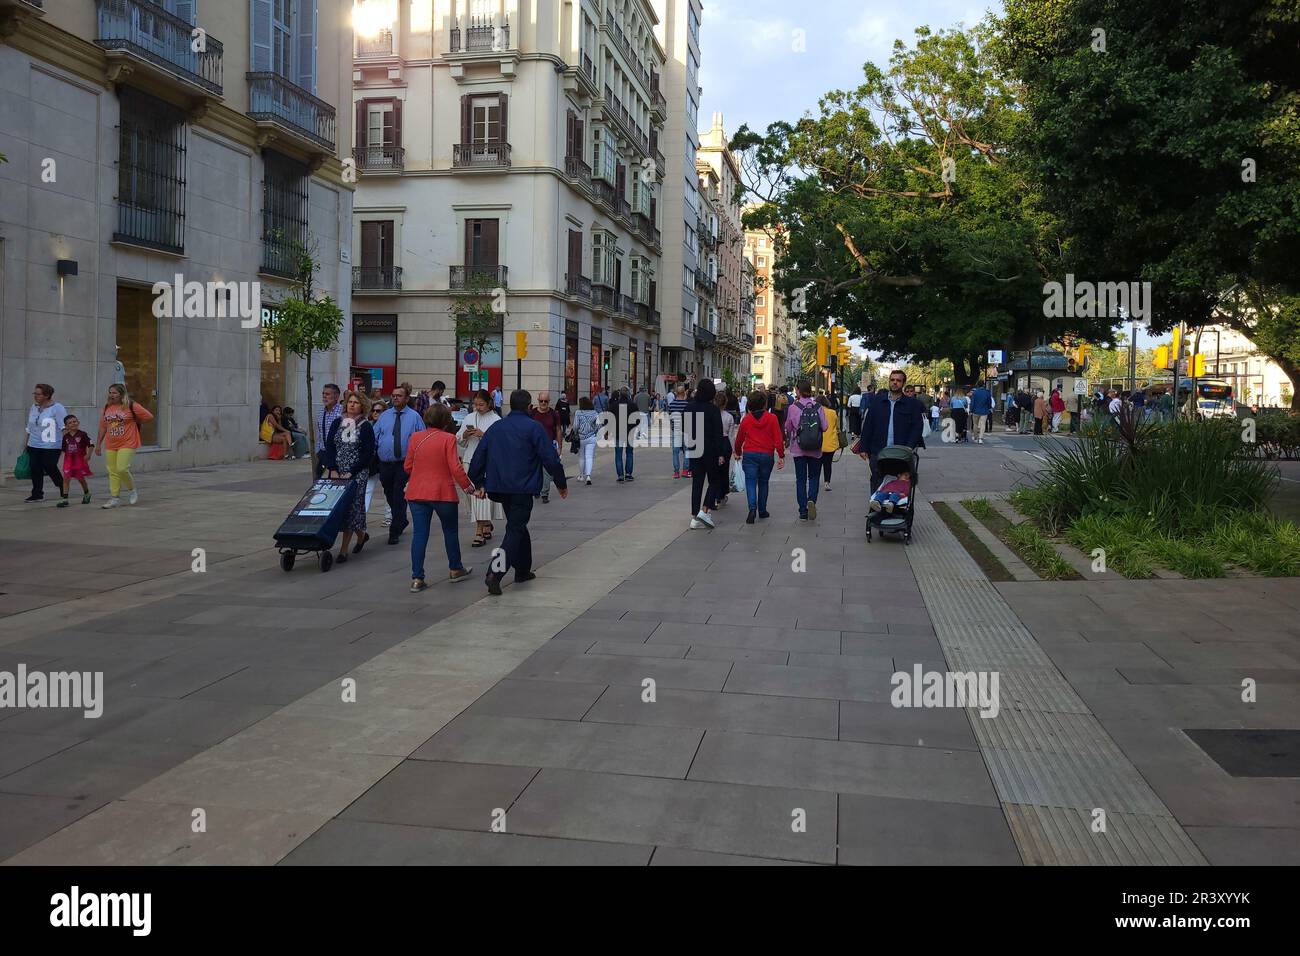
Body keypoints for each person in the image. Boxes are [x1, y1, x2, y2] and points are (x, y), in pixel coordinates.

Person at [468, 390, 568, 596]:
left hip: (499, 487)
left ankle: (522, 570)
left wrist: (479, 482)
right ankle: (494, 573)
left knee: (517, 526)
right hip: (522, 487)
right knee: (515, 529)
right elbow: (550, 457)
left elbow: (478, 458)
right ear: (529, 405)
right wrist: (560, 482)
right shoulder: (534, 427)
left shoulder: (496, 427)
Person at [404, 404, 475, 591]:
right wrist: (469, 487)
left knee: (419, 534)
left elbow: (408, 466)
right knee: (450, 531)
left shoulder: (415, 437)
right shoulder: (449, 439)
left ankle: (417, 578)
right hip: (443, 492)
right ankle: (455, 568)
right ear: (445, 420)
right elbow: (455, 467)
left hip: (417, 492)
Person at [321, 390, 375, 562]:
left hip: (357, 472)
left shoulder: (365, 426)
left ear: (362, 406)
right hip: (337, 471)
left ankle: (343, 550)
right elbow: (329, 447)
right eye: (350, 402)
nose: (352, 405)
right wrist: (333, 468)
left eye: (356, 402)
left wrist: (353, 470)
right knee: (339, 507)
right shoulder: (338, 422)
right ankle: (361, 534)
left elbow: (368, 453)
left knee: (352, 508)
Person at [854, 369, 925, 491]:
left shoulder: (912, 404)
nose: (895, 382)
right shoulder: (878, 401)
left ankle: (894, 508)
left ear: (903, 383)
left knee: (899, 489)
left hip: (901, 453)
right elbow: (868, 425)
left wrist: (909, 446)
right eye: (892, 380)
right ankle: (876, 509)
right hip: (878, 452)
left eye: (898, 380)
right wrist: (864, 448)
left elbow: (917, 427)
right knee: (877, 486)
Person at [373, 383, 425, 545]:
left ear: (407, 398)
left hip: (404, 463)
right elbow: (375, 436)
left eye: (399, 395)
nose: (395, 398)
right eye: (393, 395)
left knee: (398, 494)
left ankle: (394, 530)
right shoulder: (385, 416)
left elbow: (421, 439)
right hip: (385, 463)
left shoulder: (414, 416)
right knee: (390, 493)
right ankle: (401, 519)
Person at [456, 389, 504, 547]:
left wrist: (483, 435)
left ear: (489, 403)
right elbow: (459, 439)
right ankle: (486, 524)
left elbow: (499, 444)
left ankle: (478, 531)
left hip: (486, 464)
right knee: (471, 497)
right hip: (470, 459)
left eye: (481, 404)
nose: (478, 407)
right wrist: (465, 435)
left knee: (481, 497)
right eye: (475, 404)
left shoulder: (496, 420)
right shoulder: (469, 417)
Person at [96, 384, 153, 509]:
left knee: (121, 469)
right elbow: (103, 426)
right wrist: (98, 444)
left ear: (122, 394)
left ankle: (132, 490)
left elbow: (148, 416)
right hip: (111, 443)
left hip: (128, 442)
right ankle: (114, 498)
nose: (112, 395)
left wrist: (136, 421)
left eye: (115, 393)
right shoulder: (107, 407)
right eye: (110, 392)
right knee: (112, 471)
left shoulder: (131, 405)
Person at [732, 390, 785, 523]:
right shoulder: (772, 418)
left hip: (750, 454)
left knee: (750, 481)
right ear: (764, 404)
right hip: (767, 454)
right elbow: (778, 439)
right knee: (763, 482)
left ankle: (752, 508)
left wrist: (737, 451)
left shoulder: (746, 420)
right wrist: (781, 455)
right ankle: (762, 510)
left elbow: (739, 439)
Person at [687, 379, 728, 529]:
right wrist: (721, 453)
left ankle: (694, 517)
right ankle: (705, 510)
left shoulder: (689, 408)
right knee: (714, 481)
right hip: (710, 450)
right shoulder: (713, 409)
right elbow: (718, 434)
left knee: (697, 483)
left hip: (694, 449)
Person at [784, 380, 828, 521]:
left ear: (798, 390)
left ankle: (803, 511)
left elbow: (788, 427)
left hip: (798, 448)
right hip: (815, 449)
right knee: (814, 478)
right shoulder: (818, 406)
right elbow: (825, 427)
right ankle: (812, 501)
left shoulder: (793, 407)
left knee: (801, 480)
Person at [22, 384, 67, 503]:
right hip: (34, 444)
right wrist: (26, 441)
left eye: (38, 394)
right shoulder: (34, 407)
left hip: (51, 445)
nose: (35, 396)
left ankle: (62, 486)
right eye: (34, 394)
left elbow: (64, 426)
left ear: (47, 395)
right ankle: (37, 494)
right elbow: (29, 426)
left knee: (50, 466)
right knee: (35, 469)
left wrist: (68, 442)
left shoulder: (57, 408)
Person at [529, 392, 565, 502]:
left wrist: (559, 447)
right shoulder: (532, 413)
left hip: (549, 446)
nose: (543, 403)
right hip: (534, 446)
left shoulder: (554, 414)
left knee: (547, 471)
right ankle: (536, 489)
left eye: (546, 401)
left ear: (549, 402)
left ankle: (544, 493)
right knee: (535, 469)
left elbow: (558, 430)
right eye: (541, 401)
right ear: (538, 401)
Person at [365, 401, 392, 528]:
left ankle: (389, 516)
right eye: (374, 410)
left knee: (387, 490)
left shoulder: (389, 425)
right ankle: (362, 516)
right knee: (367, 489)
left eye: (378, 411)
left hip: (385, 461)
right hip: (372, 463)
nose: (375, 413)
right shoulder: (368, 425)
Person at [57, 414, 93, 507]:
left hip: (79, 461)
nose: (73, 424)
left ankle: (87, 493)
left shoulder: (83, 434)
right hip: (68, 461)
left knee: (80, 479)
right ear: (66, 426)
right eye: (70, 423)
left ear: (78, 422)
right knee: (66, 479)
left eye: (74, 421)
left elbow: (91, 445)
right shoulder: (66, 437)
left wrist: (88, 455)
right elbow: (64, 449)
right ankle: (65, 499)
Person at [315, 383, 343, 478]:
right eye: (323, 394)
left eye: (327, 394)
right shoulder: (321, 412)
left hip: (337, 453)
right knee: (317, 479)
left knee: (334, 480)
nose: (324, 396)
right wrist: (318, 451)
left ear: (336, 397)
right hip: (323, 452)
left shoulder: (342, 412)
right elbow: (319, 432)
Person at [609, 388, 636, 482]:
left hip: (618, 432)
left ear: (620, 395)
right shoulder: (632, 405)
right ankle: (628, 474)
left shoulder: (614, 405)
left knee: (618, 454)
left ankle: (620, 475)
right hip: (629, 433)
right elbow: (638, 419)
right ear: (628, 394)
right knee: (629, 453)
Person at [573, 396, 600, 485]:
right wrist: (595, 431)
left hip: (581, 437)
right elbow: (599, 425)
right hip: (591, 437)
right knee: (589, 457)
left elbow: (576, 426)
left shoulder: (578, 412)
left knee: (581, 457)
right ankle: (588, 476)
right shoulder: (595, 413)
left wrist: (576, 432)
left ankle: (581, 475)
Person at [818, 395, 840, 491]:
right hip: (830, 442)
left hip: (818, 443)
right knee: (828, 464)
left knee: (817, 464)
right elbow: (837, 426)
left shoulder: (816, 412)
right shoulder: (833, 412)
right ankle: (827, 483)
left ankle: (815, 481)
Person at [668, 385, 691, 478]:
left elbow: (670, 418)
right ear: (684, 393)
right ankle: (685, 470)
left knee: (675, 451)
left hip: (676, 430)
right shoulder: (687, 404)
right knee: (687, 450)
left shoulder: (672, 405)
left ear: (676, 393)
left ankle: (676, 472)